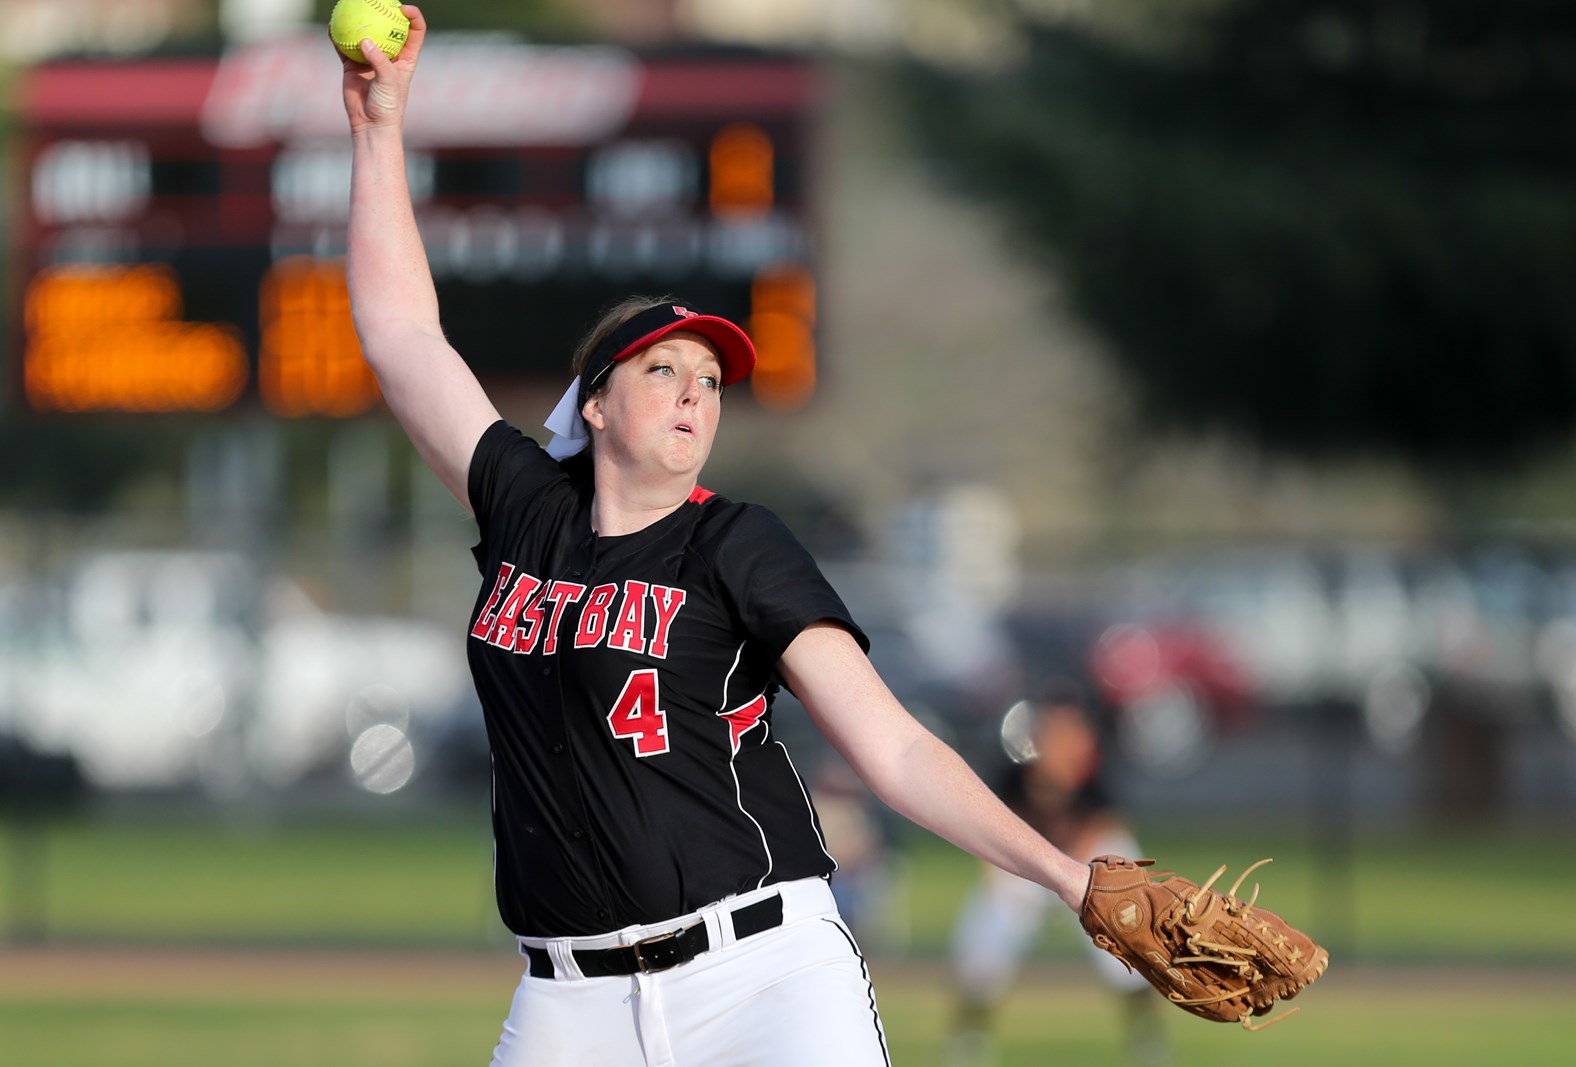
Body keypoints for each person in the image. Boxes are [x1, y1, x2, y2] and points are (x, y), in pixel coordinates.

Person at [337, 11, 1323, 1065]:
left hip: (762, 973)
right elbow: (402, 335)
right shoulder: (524, 508)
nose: (692, 394)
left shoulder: (735, 545)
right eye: (661, 371)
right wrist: (377, 127)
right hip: (567, 999)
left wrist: (1070, 876)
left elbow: (893, 744)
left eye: (709, 379)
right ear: (598, 406)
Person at [946, 681, 1167, 1066]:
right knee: (987, 938)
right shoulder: (1014, 772)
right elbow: (990, 831)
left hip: (1089, 862)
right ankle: (969, 1038)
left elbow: (1102, 831)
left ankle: (1148, 1039)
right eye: (1054, 729)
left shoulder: (1094, 774)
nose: (1065, 739)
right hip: (1028, 862)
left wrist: (1075, 887)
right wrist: (1008, 879)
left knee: (1126, 945)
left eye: (1072, 729)